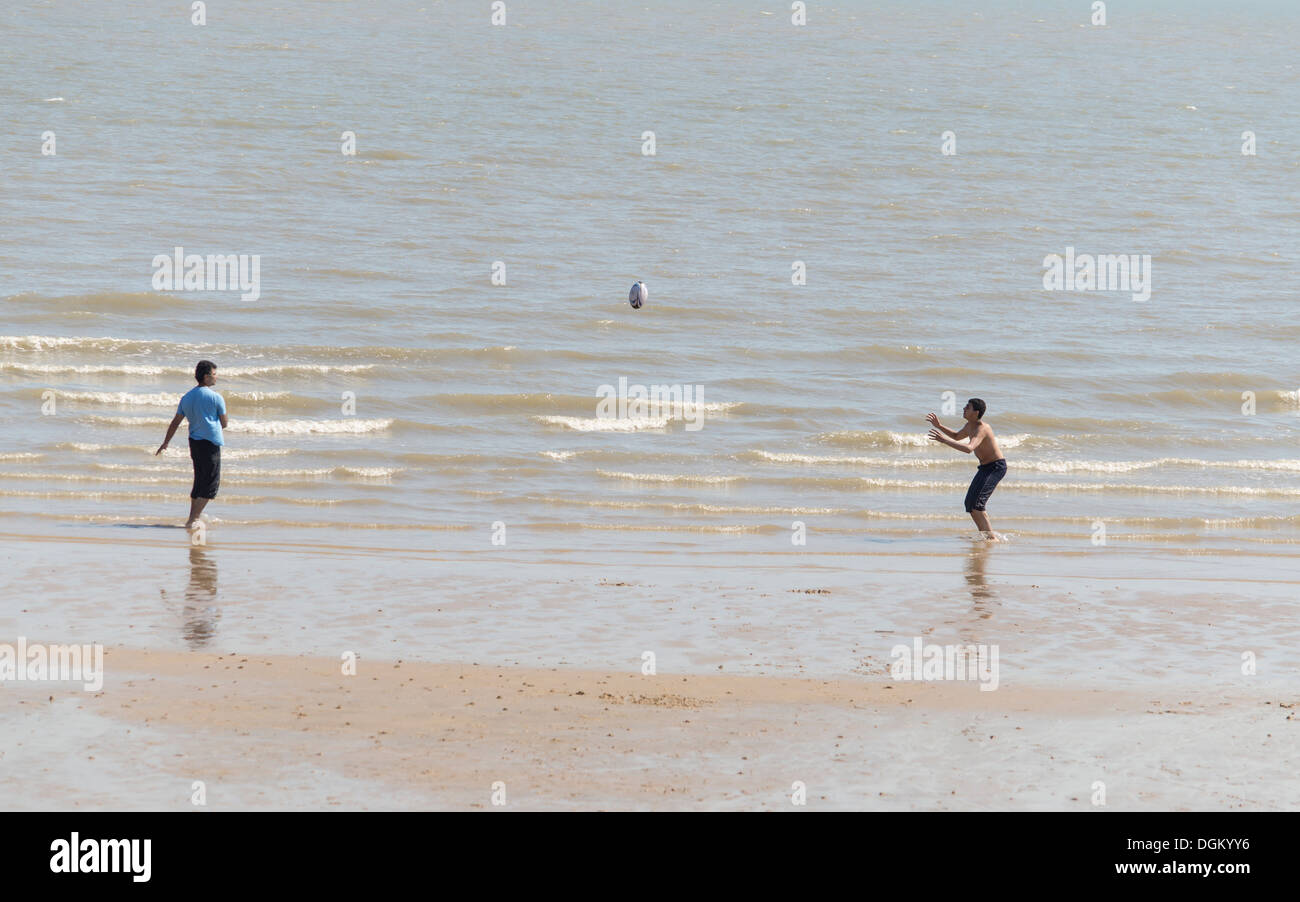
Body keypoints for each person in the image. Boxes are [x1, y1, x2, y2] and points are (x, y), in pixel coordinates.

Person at [156, 360, 228, 529]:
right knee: (211, 485)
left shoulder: (187, 397)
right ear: (206, 376)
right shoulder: (216, 397)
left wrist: (165, 442)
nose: (216, 377)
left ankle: (193, 517)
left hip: (194, 443)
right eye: (214, 374)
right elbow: (224, 423)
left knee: (199, 482)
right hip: (210, 442)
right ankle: (192, 520)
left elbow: (175, 422)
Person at [926, 398, 1006, 540]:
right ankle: (986, 535)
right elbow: (957, 436)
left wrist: (944, 440)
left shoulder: (982, 428)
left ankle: (991, 538)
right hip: (984, 467)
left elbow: (969, 448)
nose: (963, 408)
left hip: (996, 467)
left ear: (976, 412)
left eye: (967, 407)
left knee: (977, 504)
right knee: (970, 504)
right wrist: (939, 426)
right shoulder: (969, 426)